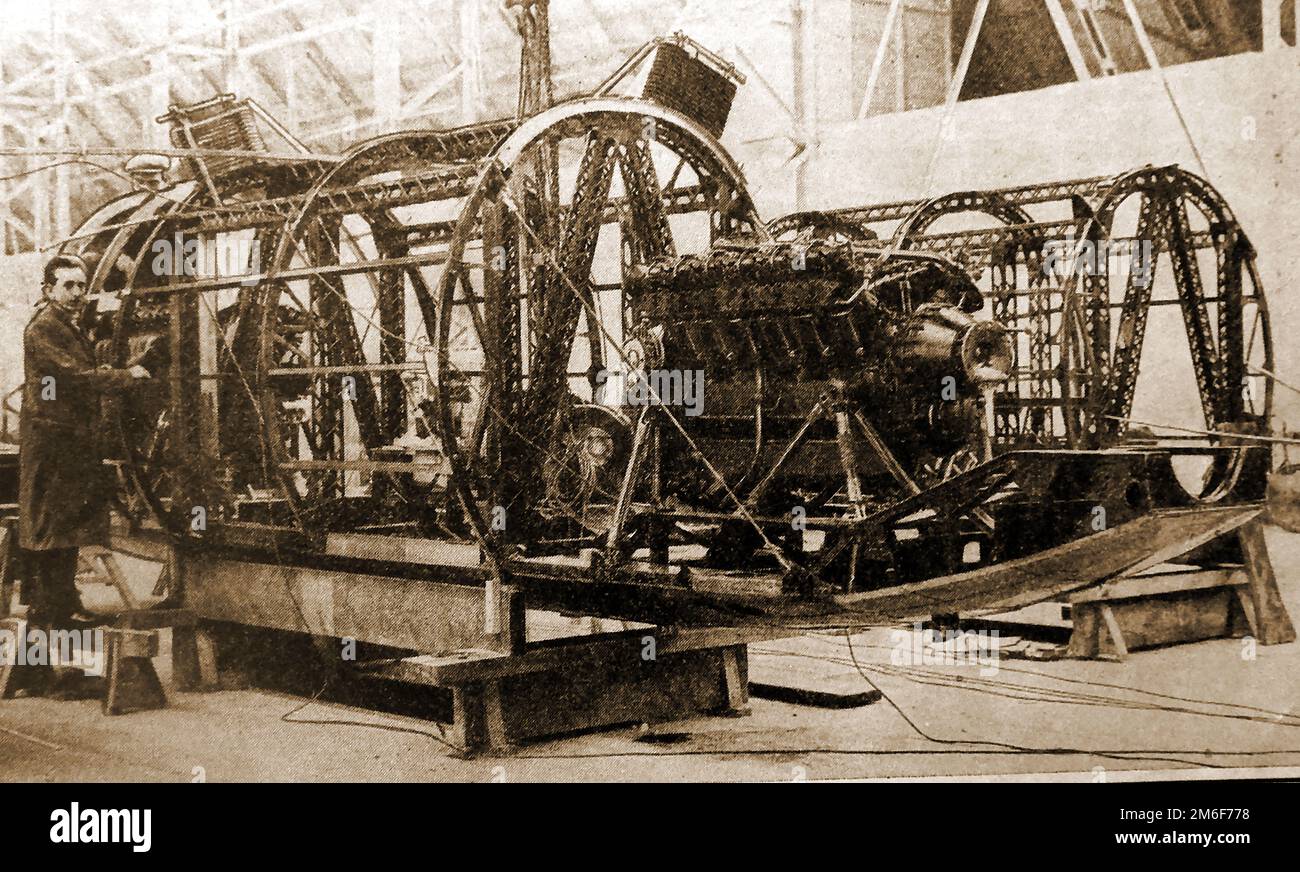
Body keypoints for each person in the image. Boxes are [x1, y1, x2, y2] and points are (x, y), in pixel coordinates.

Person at [13, 254, 151, 697]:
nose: (77, 293)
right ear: (49, 288)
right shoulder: (44, 328)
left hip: (65, 454)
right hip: (54, 457)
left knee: (59, 564)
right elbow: (74, 378)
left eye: (80, 285)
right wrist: (125, 376)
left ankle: (39, 675)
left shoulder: (65, 325)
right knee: (53, 561)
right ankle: (50, 675)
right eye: (68, 285)